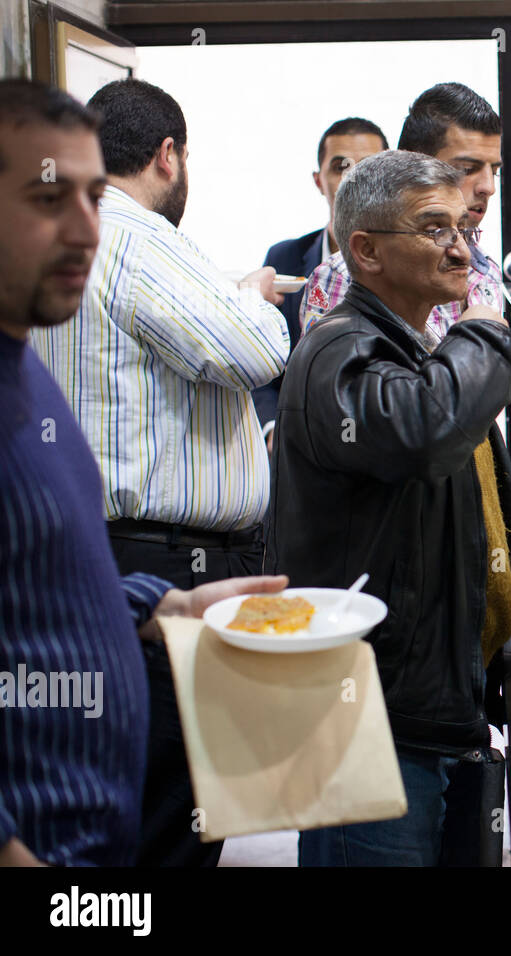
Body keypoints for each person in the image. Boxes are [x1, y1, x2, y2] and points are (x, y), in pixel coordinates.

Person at [0, 79, 286, 867]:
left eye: (97, 197)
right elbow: (254, 349)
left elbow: (39, 577)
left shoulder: (26, 372)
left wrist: (159, 603)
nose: (91, 230)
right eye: (50, 198)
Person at [266, 150, 511, 866]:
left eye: (461, 228)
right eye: (433, 229)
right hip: (371, 716)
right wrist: (485, 327)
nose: (459, 247)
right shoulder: (340, 350)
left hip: (429, 704)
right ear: (366, 251)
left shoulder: (411, 345)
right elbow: (427, 431)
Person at [298, 83, 504, 339]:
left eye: (494, 171)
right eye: (464, 169)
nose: (489, 187)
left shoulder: (487, 270)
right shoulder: (348, 276)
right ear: (412, 164)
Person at [254, 116, 388, 429]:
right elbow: (263, 365)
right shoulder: (284, 257)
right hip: (302, 447)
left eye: (367, 167)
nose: (354, 179)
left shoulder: (409, 264)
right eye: (341, 166)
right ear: (318, 181)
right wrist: (274, 431)